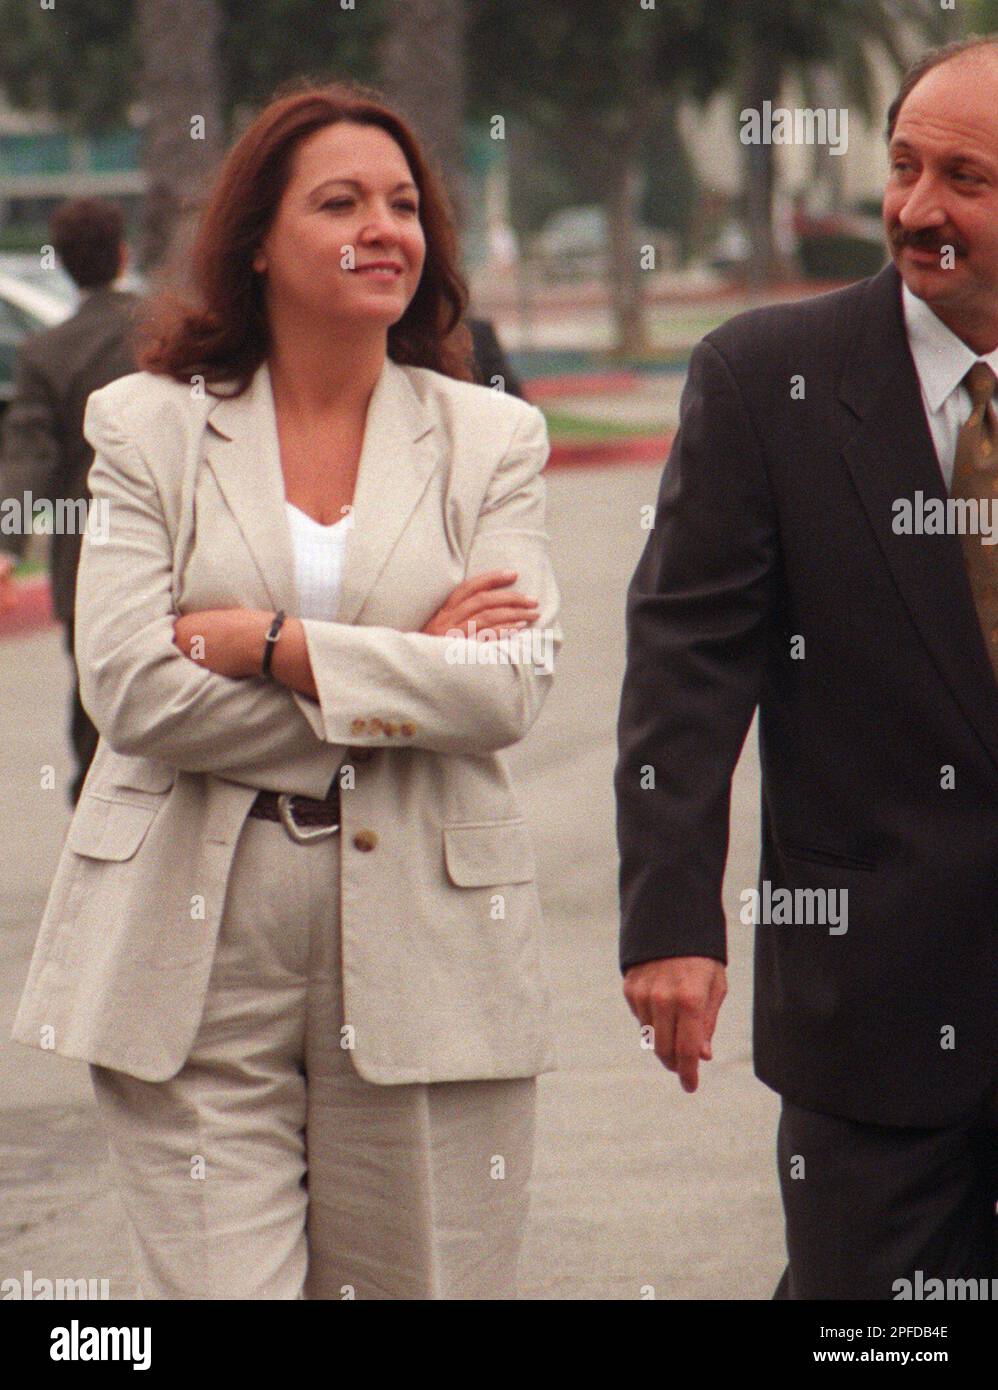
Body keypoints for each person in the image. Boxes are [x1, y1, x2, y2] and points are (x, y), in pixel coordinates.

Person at [11, 79, 562, 1300]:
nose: (386, 227)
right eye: (341, 201)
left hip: (429, 931)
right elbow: (132, 687)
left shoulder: (489, 440)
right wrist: (408, 671)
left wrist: (271, 642)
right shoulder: (144, 425)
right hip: (189, 943)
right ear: (256, 239)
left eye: (404, 203)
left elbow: (509, 685)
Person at [615, 37, 998, 1300]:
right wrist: (672, 919)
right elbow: (688, 660)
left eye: (966, 178)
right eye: (901, 166)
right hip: (873, 1011)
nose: (914, 207)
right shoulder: (765, 380)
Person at [0, 198, 141, 804]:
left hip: (84, 556)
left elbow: (30, 457)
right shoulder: (169, 329)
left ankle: (98, 817)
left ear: (59, 265)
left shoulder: (44, 354)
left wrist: (7, 545)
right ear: (123, 254)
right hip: (179, 542)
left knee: (95, 693)